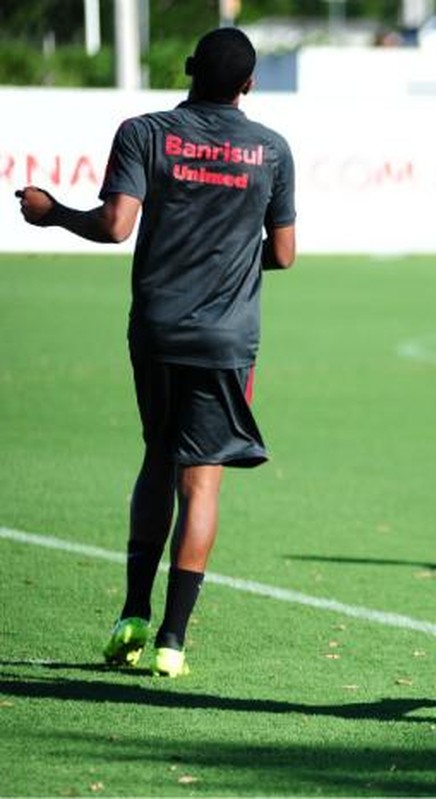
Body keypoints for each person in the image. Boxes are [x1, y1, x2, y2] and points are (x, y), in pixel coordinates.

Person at [14, 27, 297, 678]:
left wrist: (53, 211)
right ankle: (172, 640)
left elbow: (115, 224)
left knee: (157, 458)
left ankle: (132, 612)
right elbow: (282, 253)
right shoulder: (271, 149)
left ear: (189, 68)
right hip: (228, 338)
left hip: (158, 327)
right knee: (203, 481)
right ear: (249, 85)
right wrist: (228, 259)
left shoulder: (145, 132)